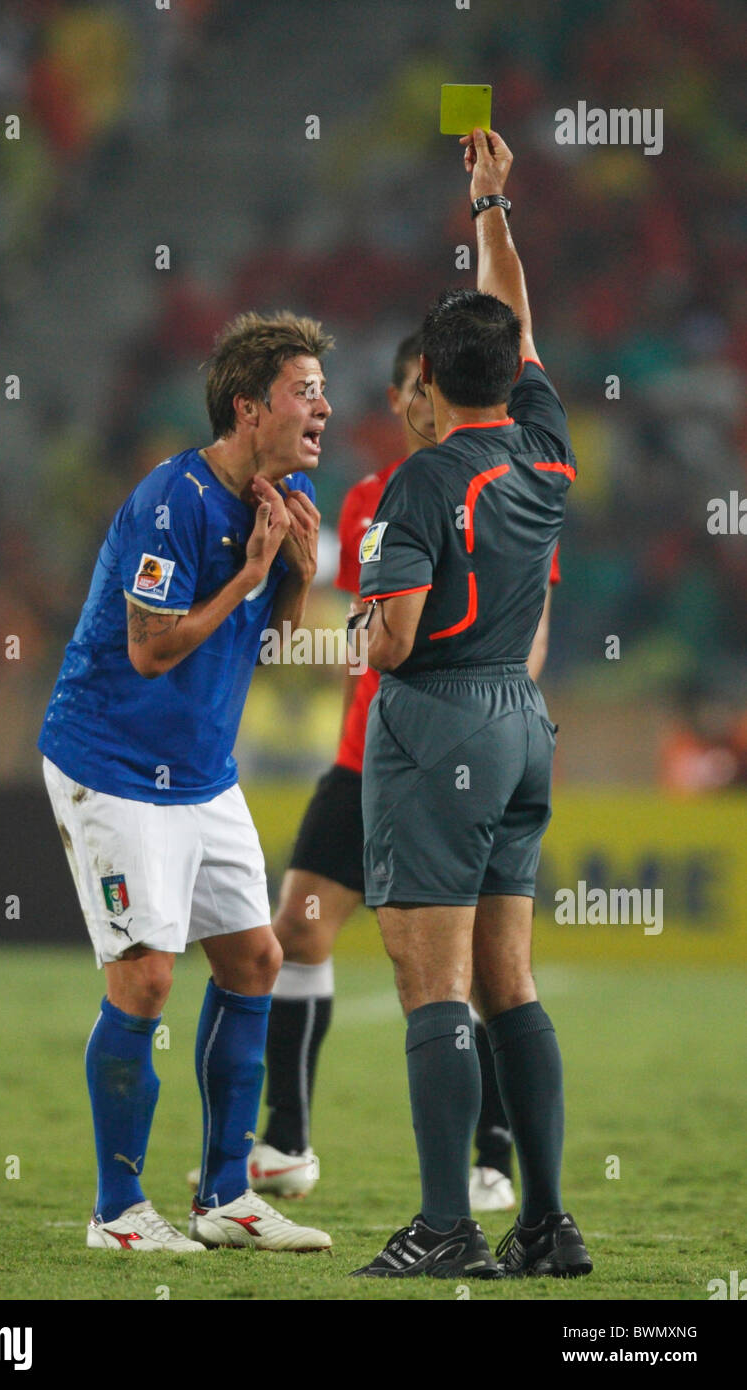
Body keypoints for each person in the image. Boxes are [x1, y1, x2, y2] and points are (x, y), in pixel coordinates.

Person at [238, 332, 560, 1210]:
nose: (426, 401)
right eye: (412, 388)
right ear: (399, 400)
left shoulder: (504, 483)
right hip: (364, 756)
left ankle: (489, 1163)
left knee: (468, 969)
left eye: (436, 384)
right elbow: (361, 630)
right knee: (298, 929)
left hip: (448, 751)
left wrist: (475, 714)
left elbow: (507, 628)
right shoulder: (371, 500)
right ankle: (287, 1144)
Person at [38, 311, 335, 1254]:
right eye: (304, 390)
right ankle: (117, 1212)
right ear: (249, 409)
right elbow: (151, 648)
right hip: (111, 763)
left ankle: (225, 1198)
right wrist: (249, 576)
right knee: (149, 979)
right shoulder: (174, 500)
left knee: (254, 961)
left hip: (203, 773)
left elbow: (278, 647)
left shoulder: (280, 497)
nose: (323, 405)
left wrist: (291, 571)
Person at [352, 129, 591, 1280]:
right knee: (511, 981)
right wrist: (490, 203)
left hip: (436, 719)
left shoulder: (419, 478)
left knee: (431, 986)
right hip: (519, 721)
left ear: (427, 385)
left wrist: (356, 619)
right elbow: (519, 326)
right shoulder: (544, 448)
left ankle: (445, 1225)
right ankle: (543, 1223)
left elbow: (392, 636)